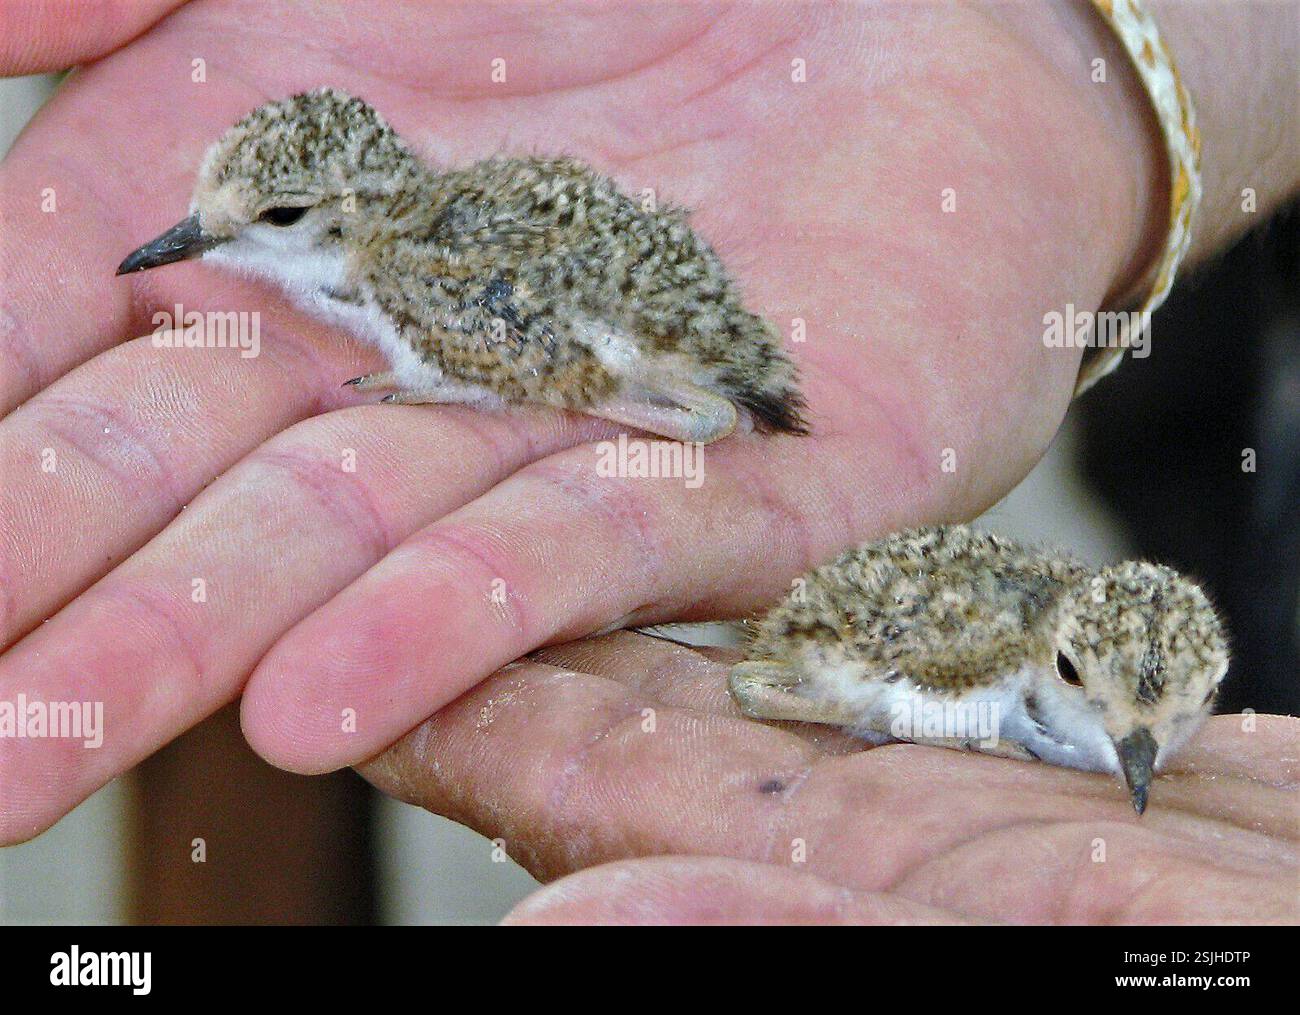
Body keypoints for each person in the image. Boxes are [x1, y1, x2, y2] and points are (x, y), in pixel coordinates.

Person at [1, 1, 1296, 921]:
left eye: (266, 224)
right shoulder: (423, 240)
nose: (213, 243)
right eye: (223, 211)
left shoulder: (415, 278)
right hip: (1229, 391)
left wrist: (434, 379)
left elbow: (546, 362)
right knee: (1193, 475)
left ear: (351, 222)